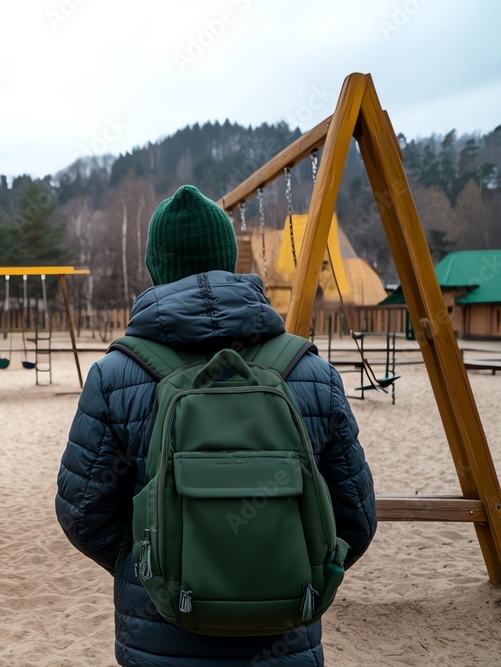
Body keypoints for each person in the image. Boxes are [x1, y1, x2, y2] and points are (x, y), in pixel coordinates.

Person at [55, 184, 377, 666]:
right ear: (229, 260)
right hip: (284, 640)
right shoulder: (310, 371)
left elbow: (83, 513)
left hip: (162, 638)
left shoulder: (116, 375)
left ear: (156, 268)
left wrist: (157, 567)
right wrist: (285, 572)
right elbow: (356, 517)